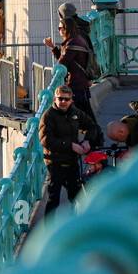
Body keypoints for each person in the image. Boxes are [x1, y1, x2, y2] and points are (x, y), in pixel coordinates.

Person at [40, 85, 101, 215]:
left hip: (72, 160)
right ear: (55, 99)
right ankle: (49, 230)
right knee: (53, 197)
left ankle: (77, 225)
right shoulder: (48, 116)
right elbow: (46, 140)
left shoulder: (75, 112)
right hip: (55, 161)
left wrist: (87, 140)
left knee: (76, 196)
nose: (63, 102)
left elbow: (92, 126)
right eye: (60, 99)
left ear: (71, 100)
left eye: (66, 99)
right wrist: (70, 145)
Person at [44, 19, 97, 123]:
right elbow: (66, 60)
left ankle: (94, 136)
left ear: (66, 29)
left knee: (81, 114)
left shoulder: (72, 43)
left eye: (61, 28)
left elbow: (63, 62)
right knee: (84, 113)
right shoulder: (76, 39)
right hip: (80, 82)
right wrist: (53, 47)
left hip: (76, 83)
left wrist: (56, 50)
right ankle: (94, 135)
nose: (59, 30)